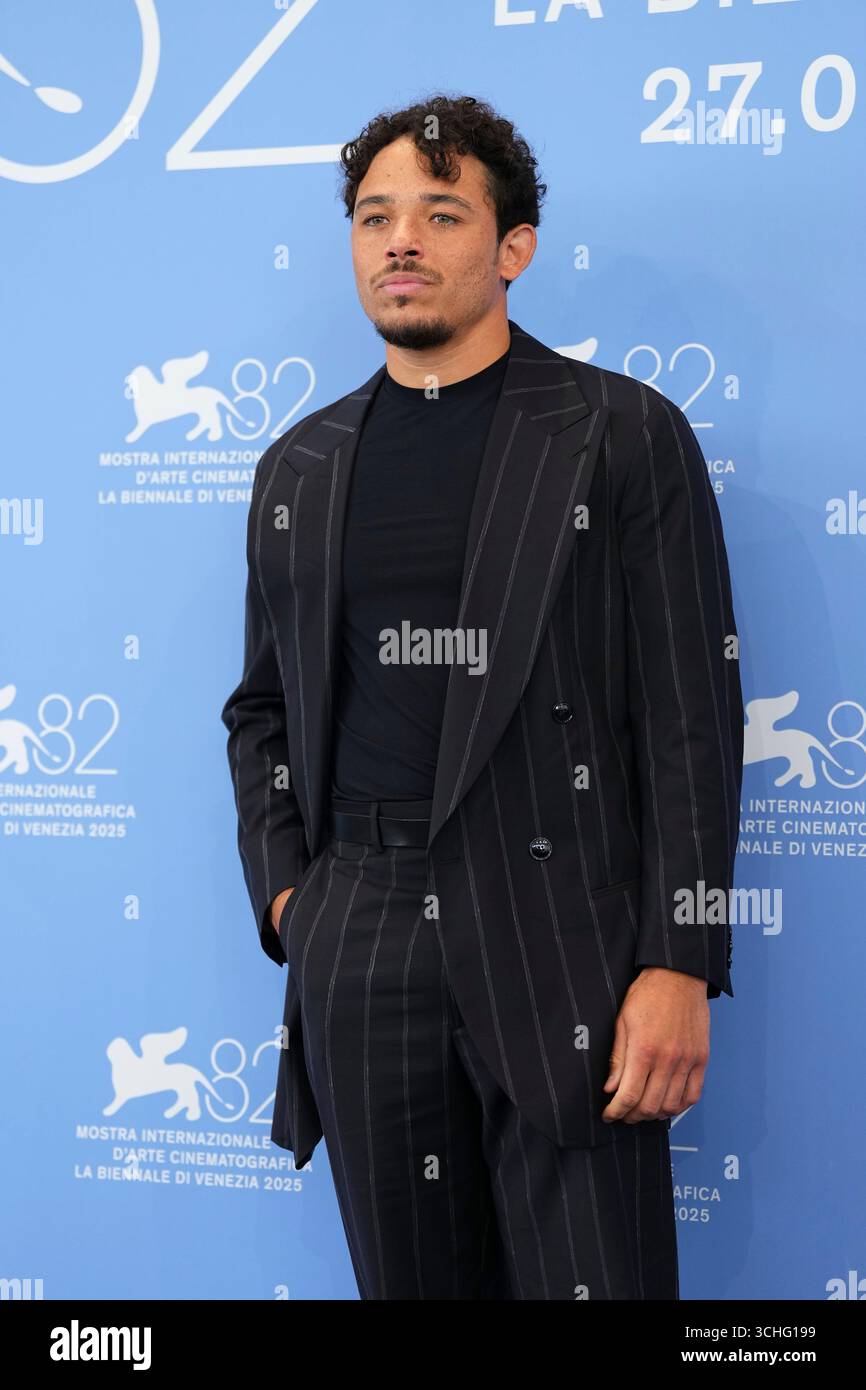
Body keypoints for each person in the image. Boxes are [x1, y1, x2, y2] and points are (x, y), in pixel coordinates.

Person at [221, 93, 744, 1300]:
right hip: (361, 931)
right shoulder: (298, 464)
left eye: (440, 213)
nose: (399, 241)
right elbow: (261, 710)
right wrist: (298, 904)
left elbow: (688, 712)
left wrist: (678, 959)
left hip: (565, 930)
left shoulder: (618, 434)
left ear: (511, 248)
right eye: (374, 217)